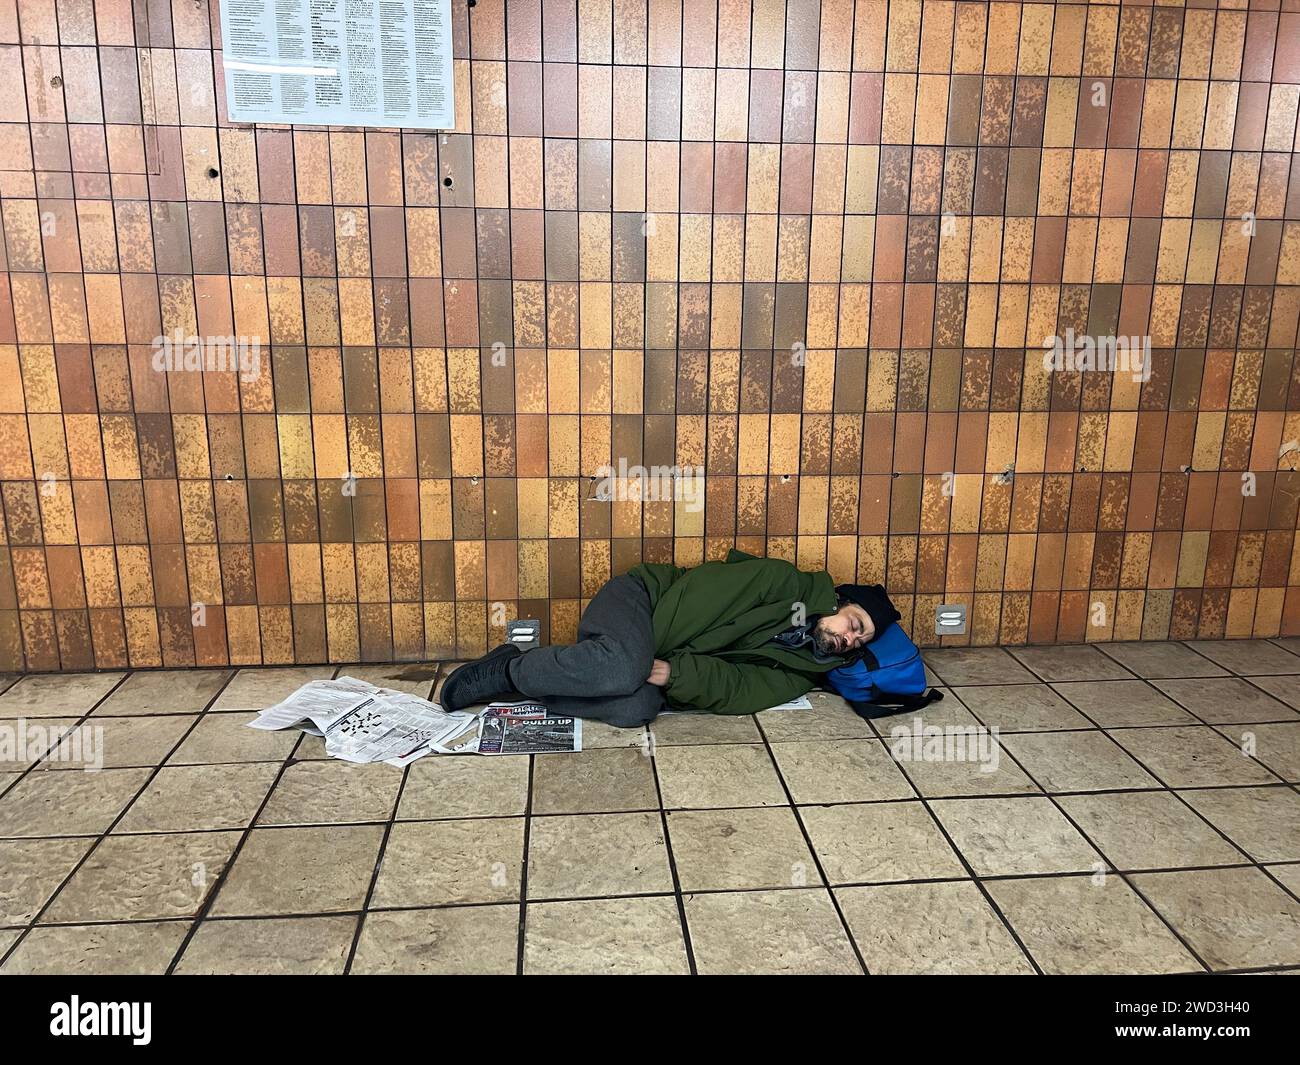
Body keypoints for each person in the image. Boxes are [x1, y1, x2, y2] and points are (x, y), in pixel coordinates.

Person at [440, 549, 901, 728]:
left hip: (652, 659)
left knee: (637, 708)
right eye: (854, 624)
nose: (850, 641)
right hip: (642, 602)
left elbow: (738, 690)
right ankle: (508, 668)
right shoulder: (782, 582)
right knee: (624, 669)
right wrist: (642, 661)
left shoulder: (807, 668)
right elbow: (694, 601)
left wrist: (675, 673)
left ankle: (518, 681)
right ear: (837, 602)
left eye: (861, 642)